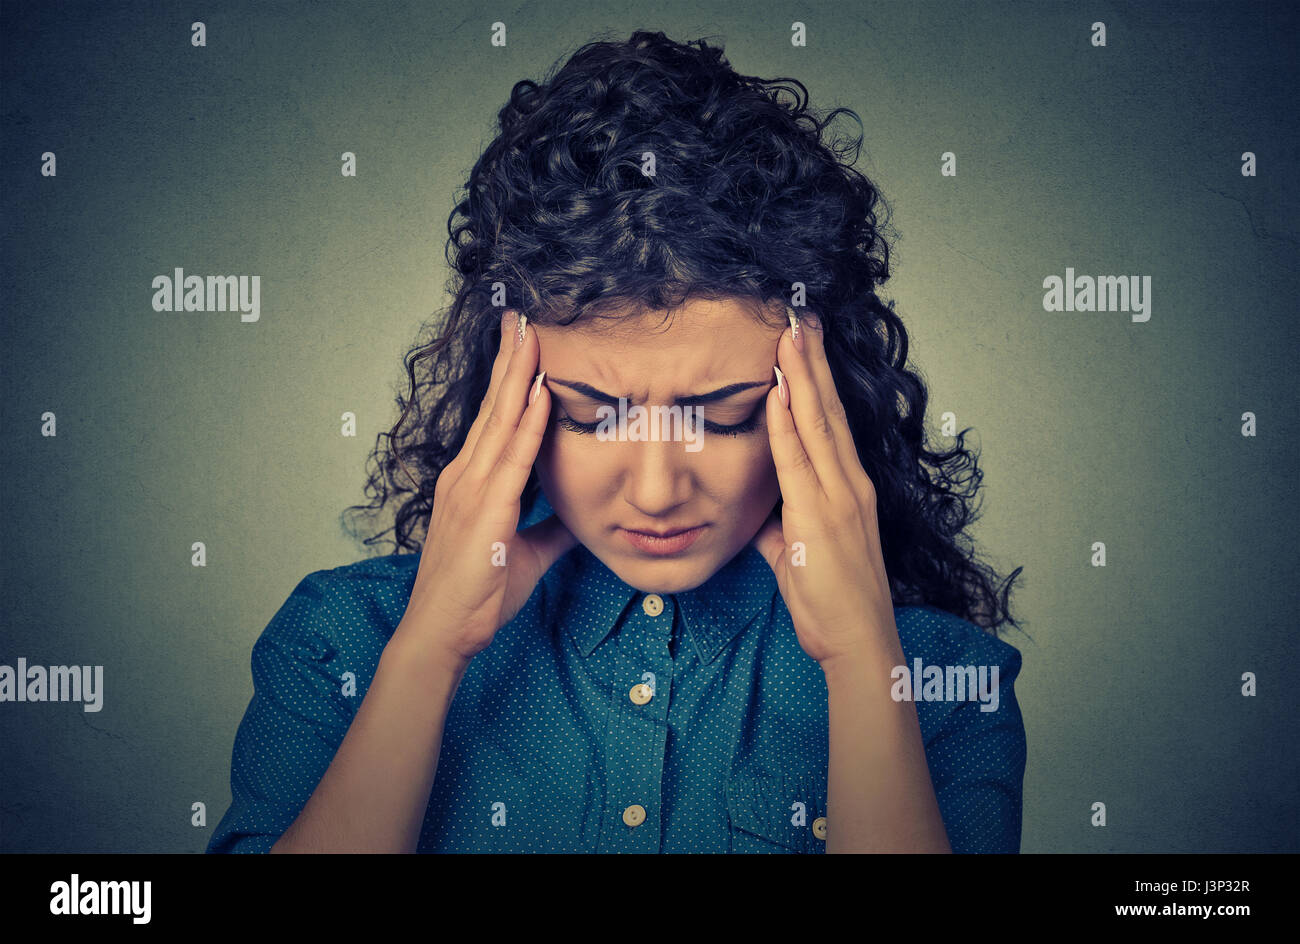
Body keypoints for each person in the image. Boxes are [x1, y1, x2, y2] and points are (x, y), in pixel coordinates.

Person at [207, 29, 1027, 854]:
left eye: (724, 414)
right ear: (508, 392)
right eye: (592, 415)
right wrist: (426, 655)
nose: (658, 489)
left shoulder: (944, 683)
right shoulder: (341, 639)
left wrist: (861, 664)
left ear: (823, 398)